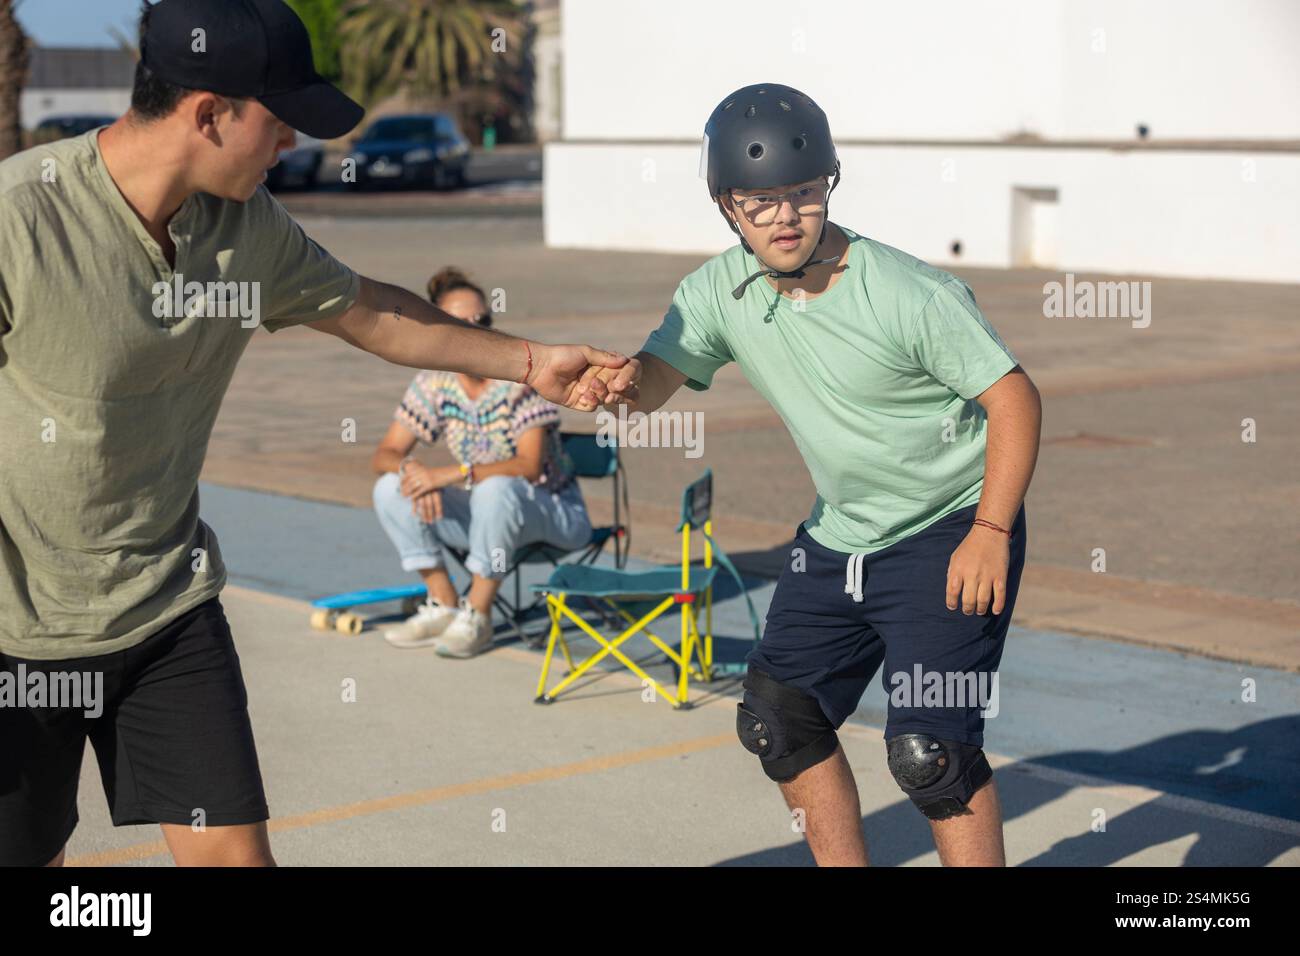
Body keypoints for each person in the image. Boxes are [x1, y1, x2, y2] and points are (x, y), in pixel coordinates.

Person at [0, 0, 626, 868]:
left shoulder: (242, 228)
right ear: (209, 112)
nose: (293, 143)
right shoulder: (22, 219)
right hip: (16, 630)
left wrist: (530, 358)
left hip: (162, 607)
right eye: (280, 120)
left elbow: (371, 313)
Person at [597, 83, 1042, 866]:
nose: (785, 216)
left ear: (827, 184)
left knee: (929, 752)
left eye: (803, 193)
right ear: (727, 206)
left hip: (951, 527)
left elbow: (1013, 398)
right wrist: (608, 382)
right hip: (839, 535)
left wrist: (992, 531)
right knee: (777, 719)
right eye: (758, 200)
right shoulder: (716, 293)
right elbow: (656, 378)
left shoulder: (910, 292)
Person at [371, 267, 592, 657]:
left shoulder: (519, 380)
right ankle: (443, 601)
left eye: (483, 320)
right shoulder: (433, 383)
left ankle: (479, 614)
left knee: (496, 487)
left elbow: (528, 466)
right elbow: (386, 454)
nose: (477, 330)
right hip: (490, 515)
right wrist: (414, 474)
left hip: (554, 513)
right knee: (390, 488)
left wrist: (448, 475)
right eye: (461, 323)